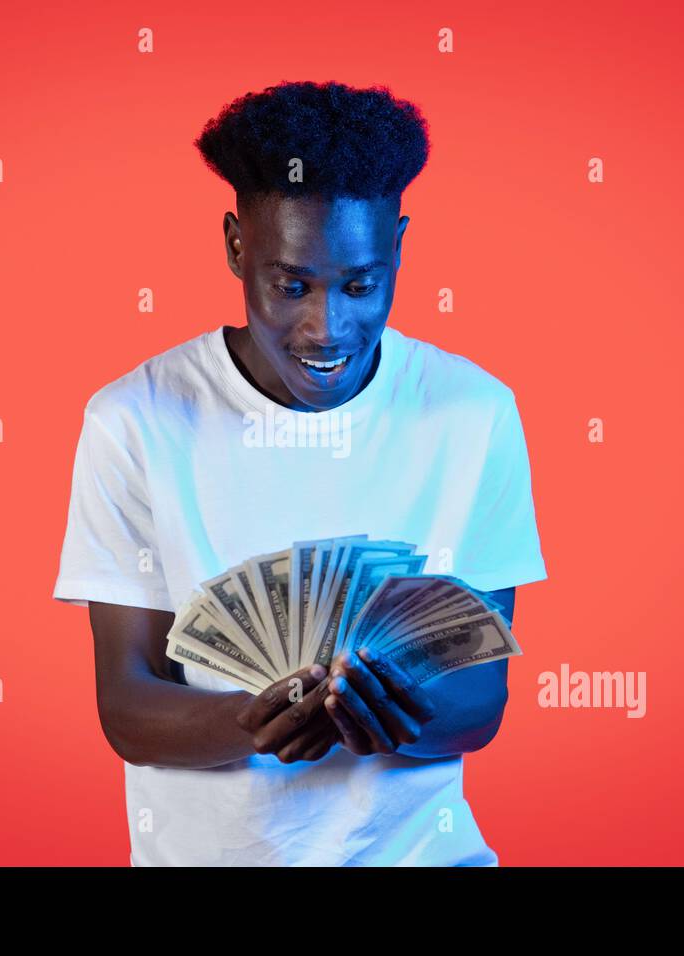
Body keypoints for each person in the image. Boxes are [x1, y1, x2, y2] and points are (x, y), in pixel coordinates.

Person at [53, 80, 547, 866]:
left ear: (399, 250)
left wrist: (397, 712)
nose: (328, 328)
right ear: (235, 246)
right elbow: (128, 704)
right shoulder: (136, 420)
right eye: (291, 286)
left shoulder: (470, 412)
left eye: (361, 285)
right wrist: (257, 723)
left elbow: (481, 703)